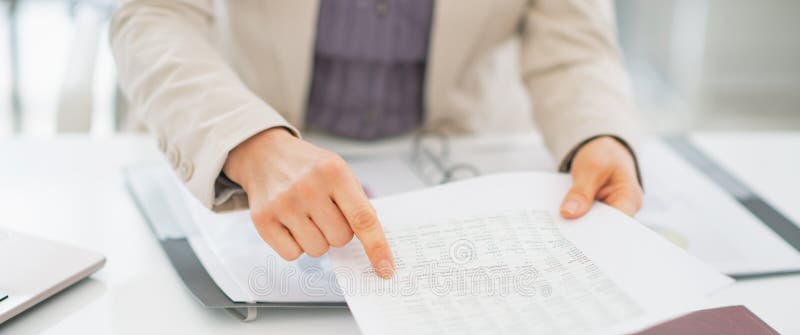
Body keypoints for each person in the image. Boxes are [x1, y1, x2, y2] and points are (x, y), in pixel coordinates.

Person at [111, 0, 642, 279]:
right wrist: (248, 140)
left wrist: (597, 133)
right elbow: (155, 14)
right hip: (247, 134)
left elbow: (575, 47)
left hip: (450, 152)